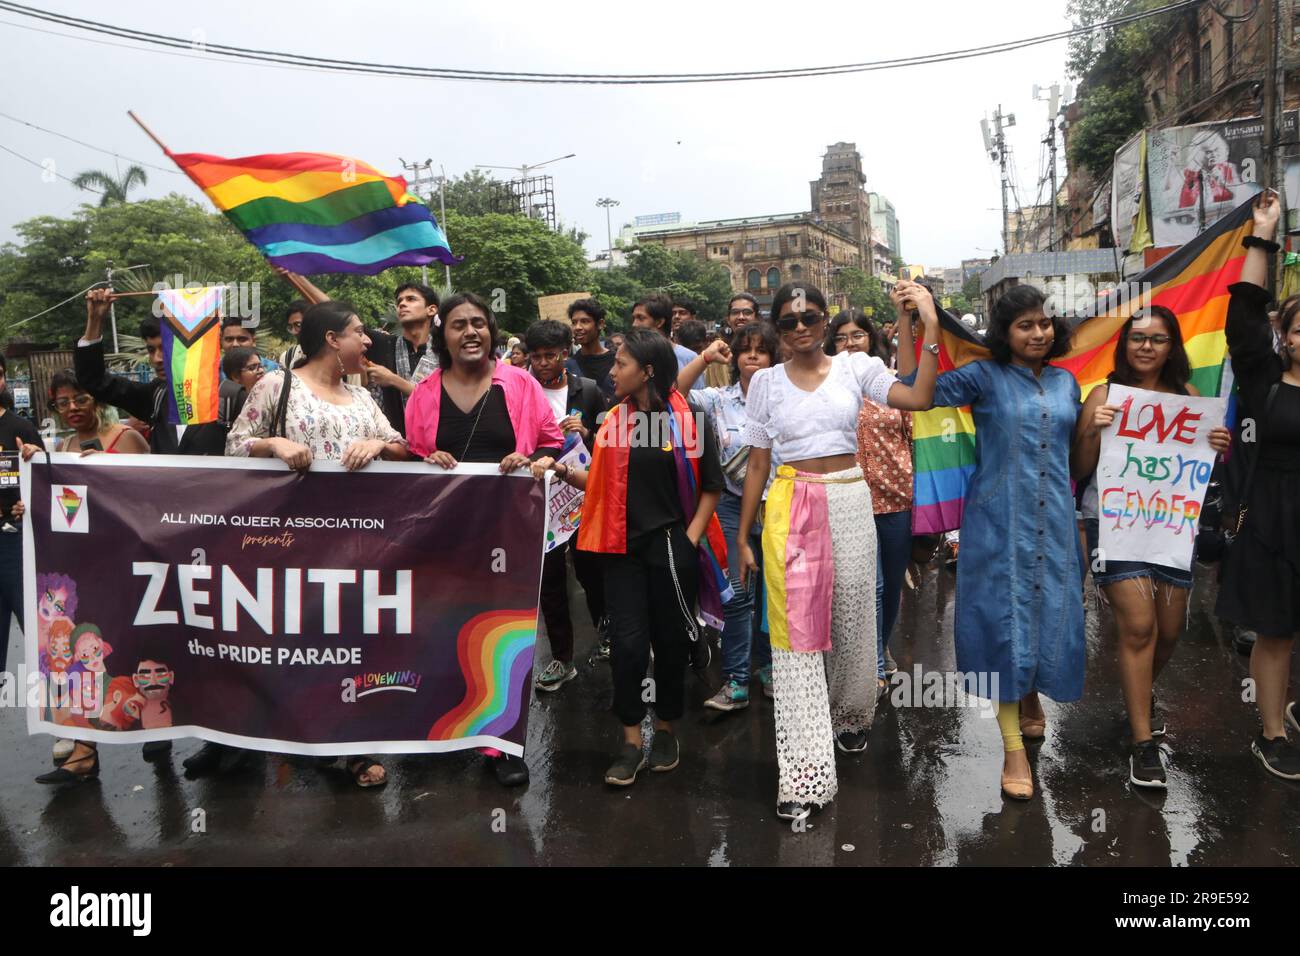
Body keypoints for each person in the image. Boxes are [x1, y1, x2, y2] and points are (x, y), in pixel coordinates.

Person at [736, 282, 940, 821]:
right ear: (776, 331)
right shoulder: (765, 384)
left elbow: (919, 396)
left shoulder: (858, 366)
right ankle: (803, 773)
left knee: (853, 621)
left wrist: (925, 326)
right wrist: (742, 534)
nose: (800, 327)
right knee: (797, 636)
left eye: (809, 317)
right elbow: (757, 461)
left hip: (851, 502)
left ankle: (851, 717)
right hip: (789, 508)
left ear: (825, 321)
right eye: (788, 321)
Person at [895, 278, 1083, 802]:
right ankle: (1012, 750)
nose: (1039, 332)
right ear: (1004, 333)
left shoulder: (1070, 383)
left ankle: (1030, 697)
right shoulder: (983, 376)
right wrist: (920, 323)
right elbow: (917, 389)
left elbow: (1083, 456)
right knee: (1003, 625)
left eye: (1045, 322)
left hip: (1057, 524)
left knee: (1047, 616)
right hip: (996, 521)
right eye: (1025, 325)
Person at [531, 329, 728, 787]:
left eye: (621, 364)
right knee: (629, 648)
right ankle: (630, 742)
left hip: (669, 549)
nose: (612, 371)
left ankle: (665, 732)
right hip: (619, 552)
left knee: (671, 646)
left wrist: (688, 542)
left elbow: (711, 487)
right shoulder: (614, 421)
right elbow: (597, 483)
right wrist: (558, 468)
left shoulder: (689, 420)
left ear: (648, 371)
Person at [225, 300, 407, 789]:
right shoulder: (274, 384)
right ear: (331, 338)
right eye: (359, 333)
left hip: (358, 549)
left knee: (353, 644)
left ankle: (351, 745)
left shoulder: (364, 397)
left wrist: (379, 446)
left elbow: (401, 446)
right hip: (292, 546)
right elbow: (234, 445)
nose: (368, 342)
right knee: (303, 645)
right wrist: (274, 445)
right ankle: (302, 734)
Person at [405, 292, 564, 786]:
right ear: (442, 336)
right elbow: (409, 459)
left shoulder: (519, 384)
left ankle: (502, 743)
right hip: (445, 538)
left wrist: (536, 460)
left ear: (492, 332)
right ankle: (444, 732)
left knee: (504, 640)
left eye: (479, 323)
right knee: (444, 634)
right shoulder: (424, 394)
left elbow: (551, 442)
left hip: (507, 537)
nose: (470, 332)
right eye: (458, 325)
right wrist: (426, 460)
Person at [1072, 307, 1232, 788]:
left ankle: (1138, 701)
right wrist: (1092, 428)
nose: (1146, 346)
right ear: (1123, 345)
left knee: (1166, 632)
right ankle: (1143, 745)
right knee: (1138, 626)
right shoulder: (1104, 394)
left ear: (1171, 346)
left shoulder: (1189, 398)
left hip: (1170, 528)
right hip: (1114, 521)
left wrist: (1218, 442)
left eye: (1157, 339)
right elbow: (1079, 468)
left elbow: (1203, 464)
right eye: (1137, 338)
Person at [25, 369, 155, 781]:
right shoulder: (60, 447)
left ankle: (159, 727)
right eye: (62, 403)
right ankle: (83, 751)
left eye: (79, 398)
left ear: (96, 398)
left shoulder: (128, 439)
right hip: (90, 569)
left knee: (141, 648)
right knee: (89, 657)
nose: (72, 409)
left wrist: (110, 472)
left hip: (132, 567)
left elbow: (157, 496)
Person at [1215, 191, 1300, 779]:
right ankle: (1272, 731)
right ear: (1286, 336)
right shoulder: (1264, 378)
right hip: (1274, 516)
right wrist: (1263, 234)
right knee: (1276, 631)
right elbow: (1244, 311)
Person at [677, 322, 779, 710]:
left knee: (773, 592)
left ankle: (769, 667)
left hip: (778, 504)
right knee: (738, 595)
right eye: (746, 350)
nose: (753, 356)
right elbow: (677, 394)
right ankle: (736, 679)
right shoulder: (718, 399)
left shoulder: (787, 396)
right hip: (731, 506)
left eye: (762, 350)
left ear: (773, 357)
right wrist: (704, 358)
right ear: (735, 358)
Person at [828, 309, 913, 691]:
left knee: (892, 585)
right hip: (850, 502)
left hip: (896, 499)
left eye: (857, 335)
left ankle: (880, 643)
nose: (849, 343)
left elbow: (913, 436)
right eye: (842, 337)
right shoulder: (824, 388)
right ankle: (874, 665)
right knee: (870, 586)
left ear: (871, 339)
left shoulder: (892, 385)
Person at [523, 320, 606, 692]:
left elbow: (610, 440)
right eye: (536, 356)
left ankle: (610, 637)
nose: (542, 363)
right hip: (539, 502)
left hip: (583, 498)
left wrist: (587, 433)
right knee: (551, 582)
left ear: (564, 355)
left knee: (594, 572)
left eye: (550, 356)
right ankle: (561, 658)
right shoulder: (518, 391)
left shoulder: (587, 390)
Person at [75, 289, 229, 456]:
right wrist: (95, 320)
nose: (157, 359)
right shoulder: (156, 395)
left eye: (166, 349)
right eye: (151, 349)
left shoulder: (230, 398)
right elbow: (94, 380)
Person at [631, 294, 703, 391]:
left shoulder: (690, 358)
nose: (634, 324)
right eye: (634, 318)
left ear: (659, 322)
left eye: (641, 318)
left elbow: (699, 400)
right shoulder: (630, 356)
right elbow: (623, 401)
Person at [565, 298, 616, 402]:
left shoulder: (618, 361)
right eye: (574, 322)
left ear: (600, 324)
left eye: (584, 321)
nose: (577, 327)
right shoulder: (568, 367)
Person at [219, 347, 265, 425]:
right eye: (252, 367)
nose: (261, 370)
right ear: (236, 376)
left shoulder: (267, 396)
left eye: (260, 366)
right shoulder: (237, 401)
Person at [275, 298, 311, 369]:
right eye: (290, 327)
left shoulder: (332, 354)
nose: (294, 332)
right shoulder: (287, 358)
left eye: (298, 325)